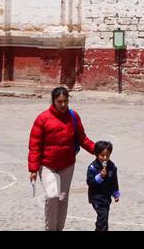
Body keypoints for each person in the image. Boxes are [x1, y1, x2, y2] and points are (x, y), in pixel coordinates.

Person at [27, 86, 97, 231]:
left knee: (62, 198)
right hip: (47, 164)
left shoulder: (73, 116)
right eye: (60, 101)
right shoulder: (42, 118)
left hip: (67, 164)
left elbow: (82, 138)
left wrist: (97, 150)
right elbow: (34, 145)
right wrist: (33, 169)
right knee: (52, 196)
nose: (63, 105)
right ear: (53, 101)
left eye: (66, 101)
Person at [86, 140, 120, 231]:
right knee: (103, 216)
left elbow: (114, 181)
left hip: (106, 197)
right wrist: (100, 176)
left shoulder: (112, 166)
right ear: (96, 155)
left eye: (107, 155)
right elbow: (90, 182)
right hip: (96, 197)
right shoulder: (93, 167)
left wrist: (115, 193)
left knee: (104, 217)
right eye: (102, 155)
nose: (105, 158)